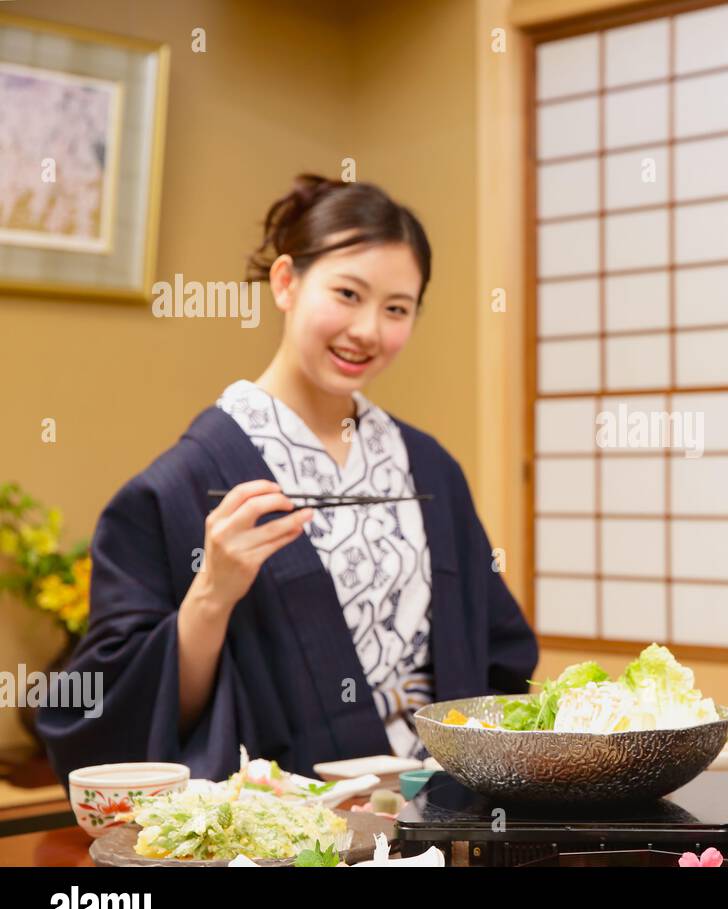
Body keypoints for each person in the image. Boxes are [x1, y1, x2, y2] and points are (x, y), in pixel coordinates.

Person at [38, 174, 537, 781]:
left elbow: (498, 661)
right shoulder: (185, 483)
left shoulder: (428, 468)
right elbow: (118, 717)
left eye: (397, 308)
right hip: (292, 833)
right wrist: (212, 594)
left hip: (442, 817)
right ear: (286, 282)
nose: (368, 330)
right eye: (347, 294)